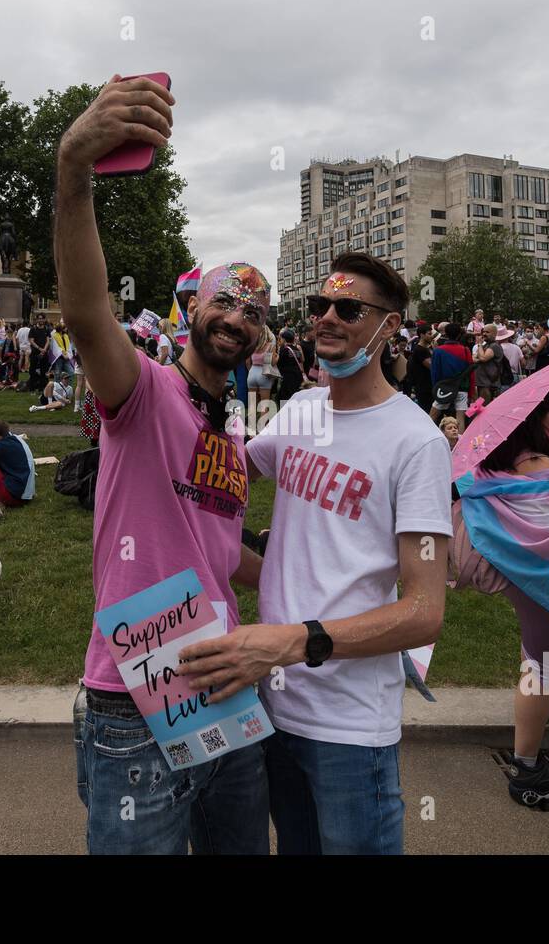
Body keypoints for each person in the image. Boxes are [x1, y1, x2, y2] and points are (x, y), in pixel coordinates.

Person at [56, 74, 269, 855]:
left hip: (223, 679)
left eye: (254, 313)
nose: (238, 318)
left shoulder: (230, 432)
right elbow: (84, 310)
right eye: (226, 301)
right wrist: (73, 173)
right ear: (190, 310)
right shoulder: (141, 391)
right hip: (134, 698)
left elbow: (220, 548)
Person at [177, 252, 450, 856]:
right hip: (271, 705)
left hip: (349, 727)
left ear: (389, 326)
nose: (326, 317)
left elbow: (425, 612)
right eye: (318, 306)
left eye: (348, 308)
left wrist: (289, 641)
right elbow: (214, 475)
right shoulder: (300, 411)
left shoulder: (417, 443)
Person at [450, 386, 549, 804]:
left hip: (503, 566)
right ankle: (526, 769)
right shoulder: (542, 467)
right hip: (542, 579)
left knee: (538, 655)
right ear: (540, 420)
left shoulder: (489, 464)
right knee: (542, 663)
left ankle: (547, 699)